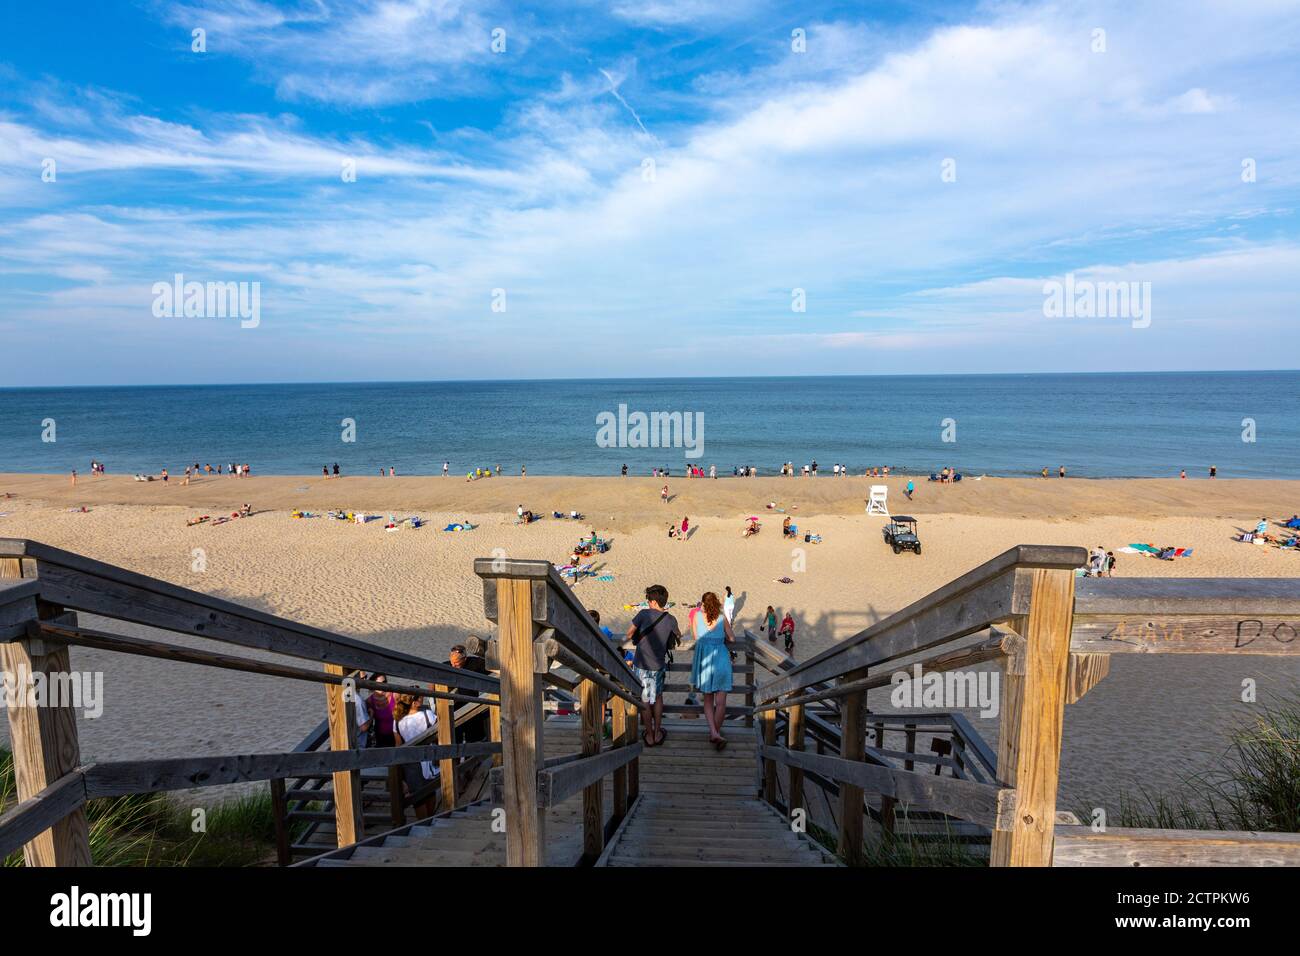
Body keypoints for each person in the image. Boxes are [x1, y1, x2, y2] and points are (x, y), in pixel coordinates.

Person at [625, 585, 679, 748]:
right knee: (658, 698)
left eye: (648, 600)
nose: (647, 603)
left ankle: (648, 734)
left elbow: (629, 634)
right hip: (659, 664)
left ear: (654, 602)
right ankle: (657, 732)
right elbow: (678, 635)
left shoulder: (643, 614)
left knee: (645, 700)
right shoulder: (670, 619)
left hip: (642, 664)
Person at [690, 591, 735, 750]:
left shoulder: (696, 617)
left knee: (708, 700)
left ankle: (714, 732)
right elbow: (732, 638)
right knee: (721, 703)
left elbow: (696, 637)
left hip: (705, 662)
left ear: (702, 603)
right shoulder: (722, 618)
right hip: (721, 659)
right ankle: (715, 733)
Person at [392, 693, 437, 817]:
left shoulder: (397, 720)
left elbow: (398, 745)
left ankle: (423, 822)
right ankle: (431, 818)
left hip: (410, 762)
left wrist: (400, 774)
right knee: (430, 791)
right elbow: (440, 731)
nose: (423, 697)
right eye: (420, 696)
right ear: (414, 702)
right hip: (427, 757)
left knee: (418, 797)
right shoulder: (427, 714)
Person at [367, 675, 396, 747]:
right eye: (379, 683)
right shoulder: (370, 701)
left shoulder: (395, 695)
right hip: (380, 738)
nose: (382, 685)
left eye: (384, 682)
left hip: (396, 736)